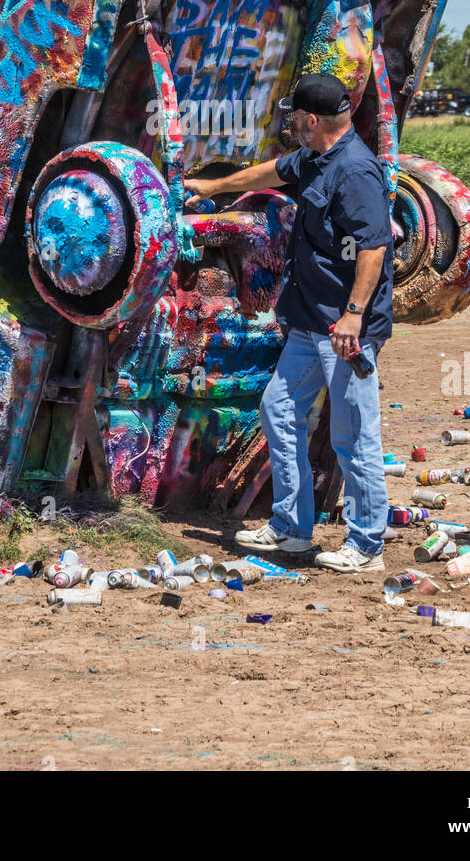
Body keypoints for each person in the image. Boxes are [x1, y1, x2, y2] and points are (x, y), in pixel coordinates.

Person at [184, 73, 393, 573]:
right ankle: (291, 527)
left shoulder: (355, 172)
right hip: (310, 319)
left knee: (353, 433)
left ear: (312, 120)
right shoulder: (317, 158)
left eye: (294, 116)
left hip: (345, 328)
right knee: (277, 408)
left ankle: (366, 545)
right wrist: (213, 188)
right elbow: (271, 173)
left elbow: (375, 246)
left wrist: (354, 316)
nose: (290, 123)